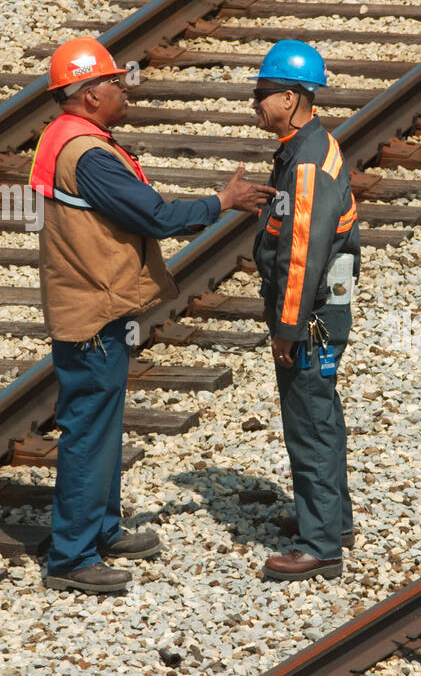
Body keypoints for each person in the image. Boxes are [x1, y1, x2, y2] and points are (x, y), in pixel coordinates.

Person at [30, 37, 275, 594]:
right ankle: (71, 559)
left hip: (94, 302)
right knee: (88, 434)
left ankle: (102, 529)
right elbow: (156, 216)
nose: (124, 88)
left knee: (103, 427)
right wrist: (221, 202)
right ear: (89, 94)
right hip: (90, 313)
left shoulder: (69, 137)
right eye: (115, 82)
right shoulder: (87, 155)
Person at [251, 40, 360, 580]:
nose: (256, 102)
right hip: (321, 312)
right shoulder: (303, 148)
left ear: (293, 98)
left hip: (310, 318)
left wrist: (287, 329)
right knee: (323, 414)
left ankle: (320, 547)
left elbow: (302, 258)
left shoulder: (309, 165)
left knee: (310, 422)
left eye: (264, 93)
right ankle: (333, 520)